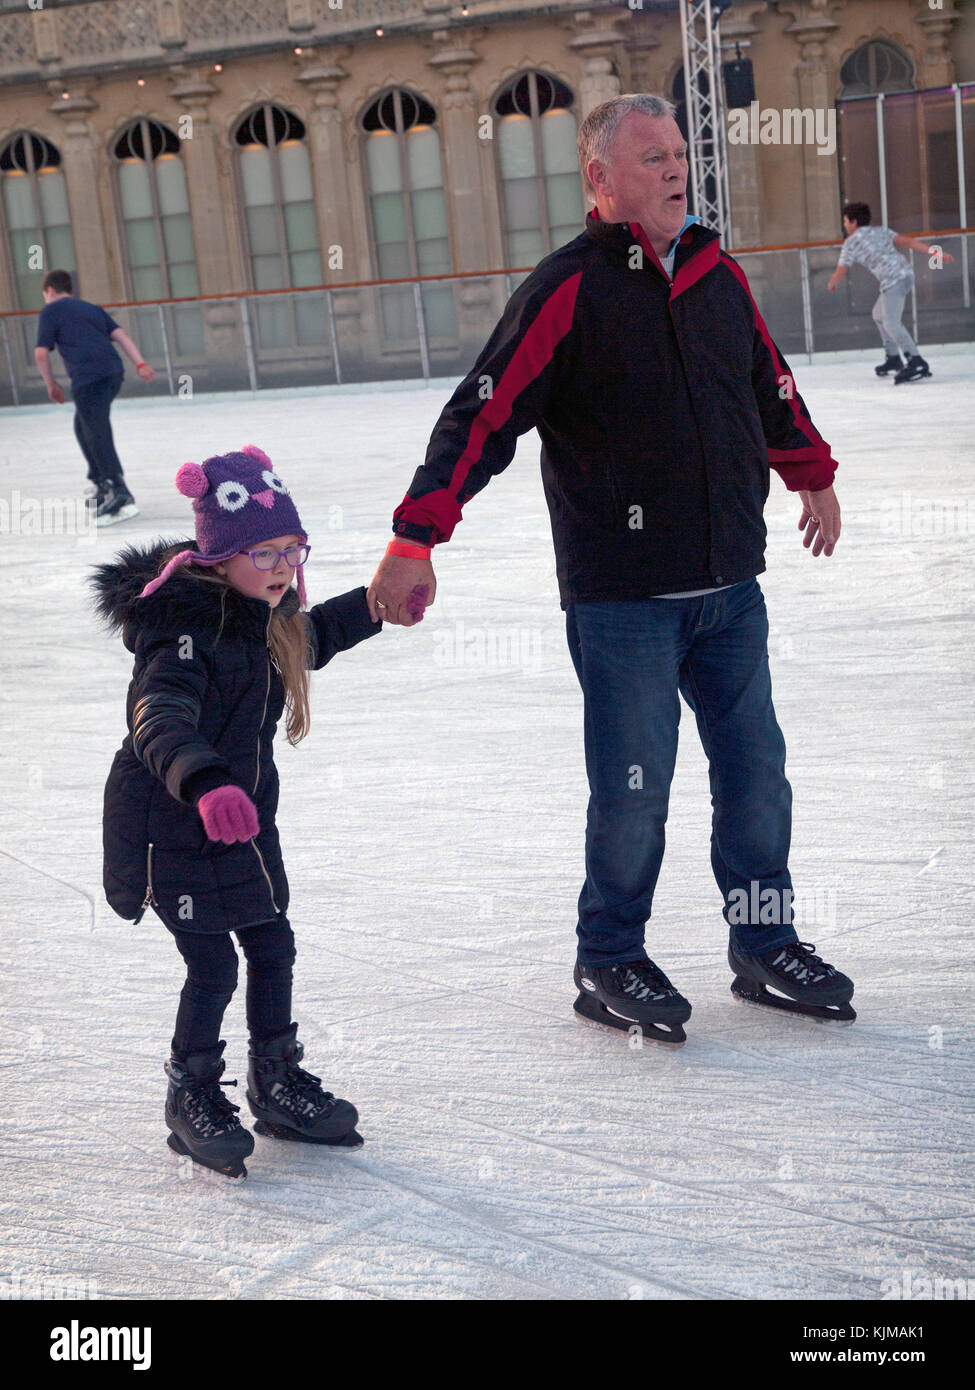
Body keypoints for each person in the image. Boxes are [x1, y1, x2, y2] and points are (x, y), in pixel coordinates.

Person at [368, 93, 856, 1045]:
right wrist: (416, 534)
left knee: (756, 773)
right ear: (599, 178)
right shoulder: (567, 287)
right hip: (622, 597)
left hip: (728, 587)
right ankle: (608, 957)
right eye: (651, 158)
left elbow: (768, 381)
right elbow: (483, 413)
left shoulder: (717, 275)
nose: (676, 170)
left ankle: (762, 946)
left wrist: (810, 473)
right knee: (633, 787)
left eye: (679, 154)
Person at [90, 445, 427, 1178]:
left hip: (240, 819)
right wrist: (206, 782)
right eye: (261, 551)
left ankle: (274, 1083)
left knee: (272, 945)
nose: (281, 566)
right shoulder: (180, 633)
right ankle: (192, 1094)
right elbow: (159, 717)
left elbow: (310, 640)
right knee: (211, 963)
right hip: (171, 819)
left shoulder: (262, 616)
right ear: (218, 557)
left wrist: (374, 606)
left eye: (291, 549)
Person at [34, 268, 155, 526]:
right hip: (113, 373)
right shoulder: (91, 308)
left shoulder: (50, 310)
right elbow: (121, 336)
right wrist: (140, 364)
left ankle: (117, 488)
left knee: (95, 430)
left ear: (50, 291)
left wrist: (51, 384)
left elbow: (41, 354)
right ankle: (102, 483)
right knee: (83, 426)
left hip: (88, 378)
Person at [827, 202, 953, 384]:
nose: (845, 225)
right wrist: (935, 253)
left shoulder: (851, 242)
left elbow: (841, 270)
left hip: (894, 280)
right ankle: (893, 357)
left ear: (854, 222)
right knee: (878, 314)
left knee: (891, 322)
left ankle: (916, 360)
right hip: (905, 274)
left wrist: (832, 282)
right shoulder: (880, 231)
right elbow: (907, 242)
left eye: (846, 221)